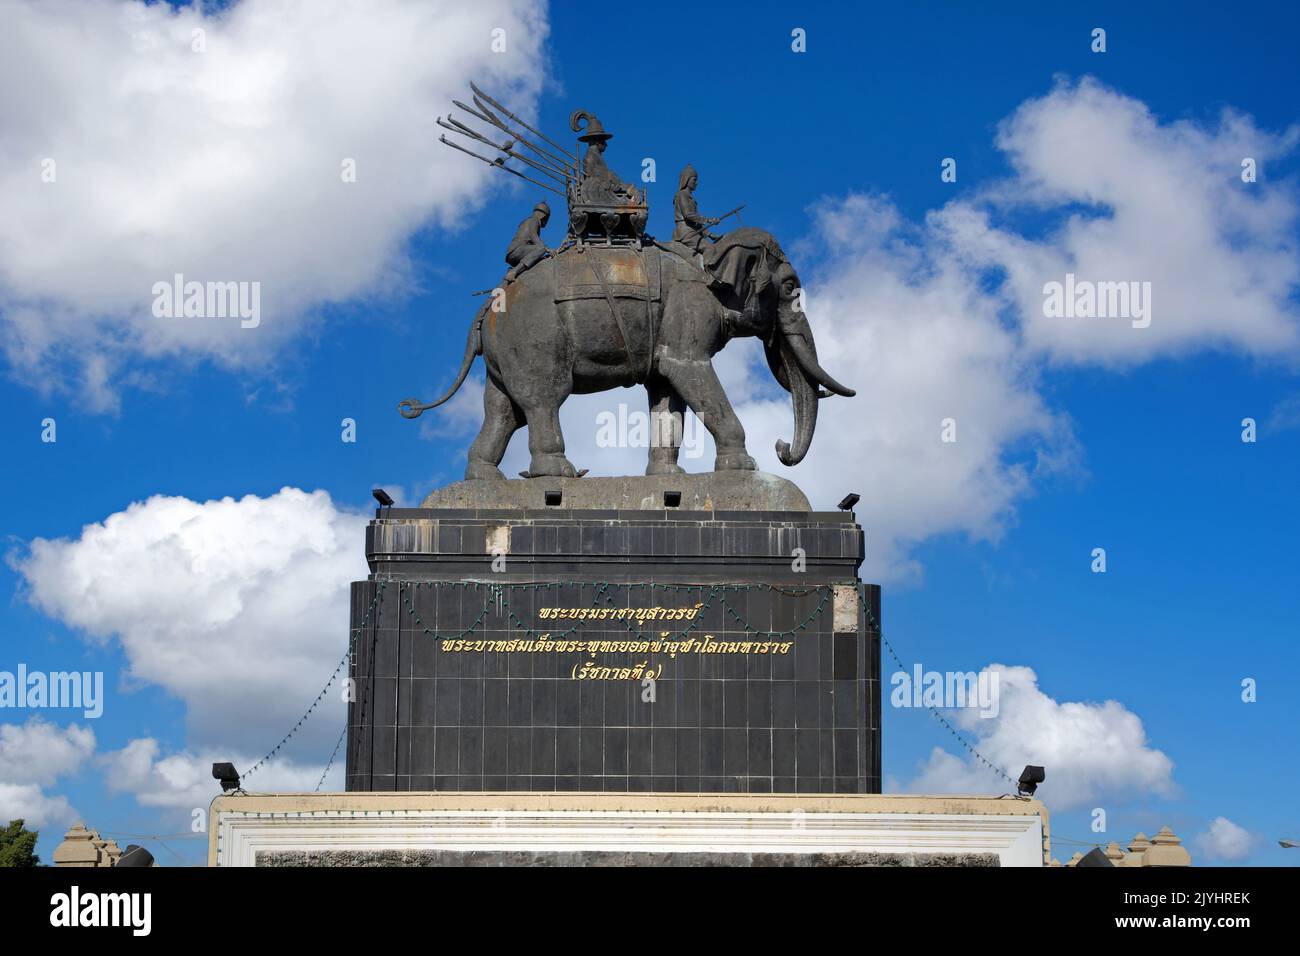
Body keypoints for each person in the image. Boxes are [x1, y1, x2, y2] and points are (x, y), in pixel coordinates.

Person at [673, 164, 721, 255]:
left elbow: (695, 223)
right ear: (687, 180)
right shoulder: (681, 195)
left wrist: (709, 234)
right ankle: (708, 269)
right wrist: (708, 220)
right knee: (710, 248)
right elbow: (688, 215)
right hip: (685, 232)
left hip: (692, 231)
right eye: (694, 180)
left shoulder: (691, 198)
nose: (696, 183)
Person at [504, 201, 550, 282]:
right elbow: (534, 237)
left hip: (514, 253)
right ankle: (514, 271)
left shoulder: (527, 220)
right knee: (541, 248)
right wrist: (547, 249)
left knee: (538, 254)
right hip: (517, 250)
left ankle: (515, 269)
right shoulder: (534, 220)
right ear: (544, 216)